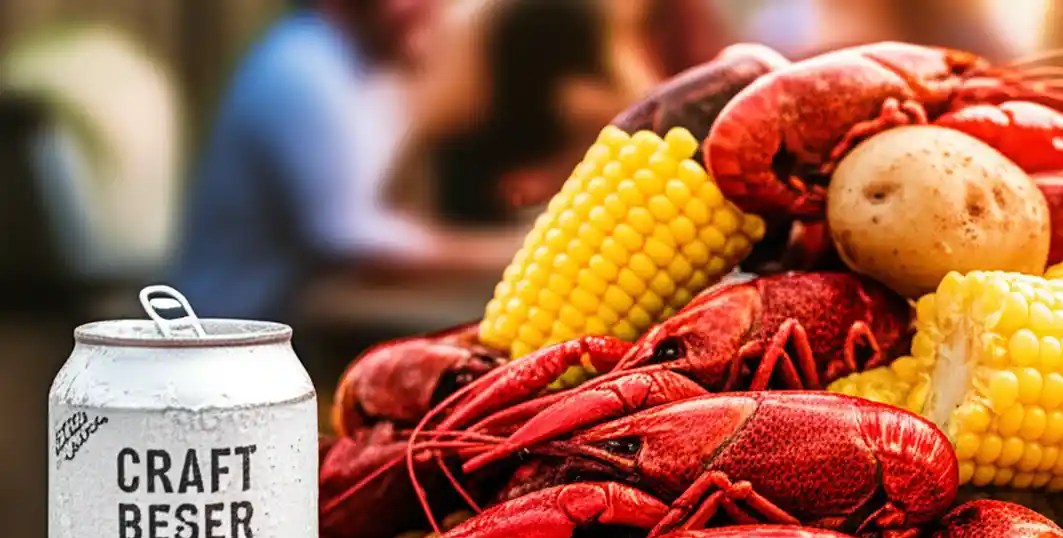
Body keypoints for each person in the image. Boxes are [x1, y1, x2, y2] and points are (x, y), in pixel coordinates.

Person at [171, 0, 517, 323]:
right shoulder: (301, 68)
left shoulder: (355, 62)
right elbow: (353, 240)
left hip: (292, 323)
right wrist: (508, 250)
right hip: (228, 333)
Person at [406, 0, 727, 227]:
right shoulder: (503, 20)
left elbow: (645, 123)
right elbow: (439, 116)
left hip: (548, 210)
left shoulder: (604, 29)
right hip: (483, 212)